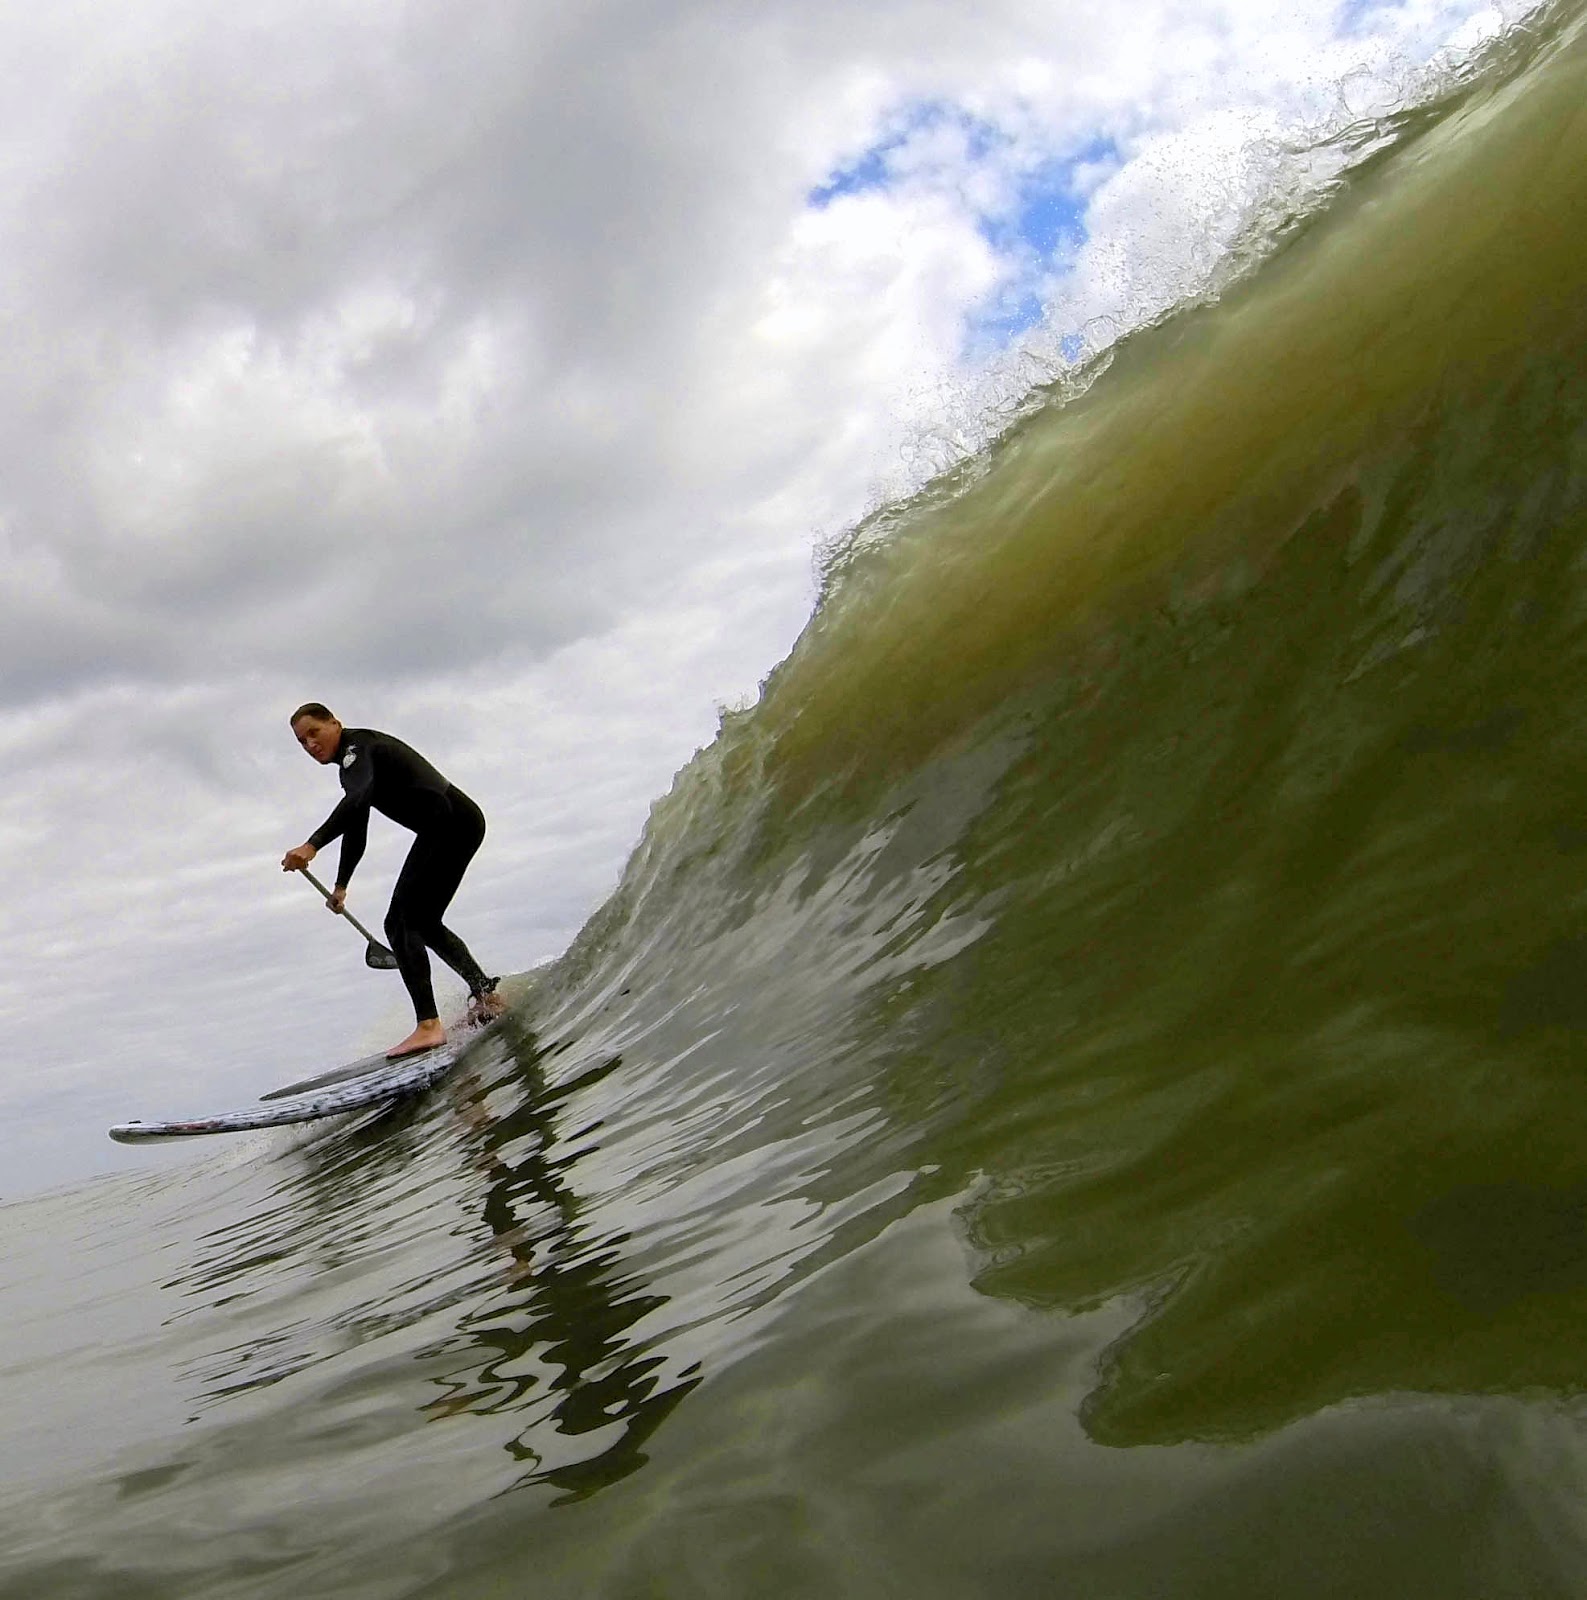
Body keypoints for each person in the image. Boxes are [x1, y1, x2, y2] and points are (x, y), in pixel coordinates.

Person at [281, 703, 506, 1058]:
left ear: (335, 723)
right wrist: (341, 885)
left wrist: (312, 845)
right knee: (424, 923)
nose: (310, 745)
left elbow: (357, 800)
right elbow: (357, 826)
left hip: (449, 823)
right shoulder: (353, 768)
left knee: (399, 921)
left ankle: (428, 1025)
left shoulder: (358, 750)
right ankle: (486, 996)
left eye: (314, 733)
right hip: (455, 823)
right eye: (301, 741)